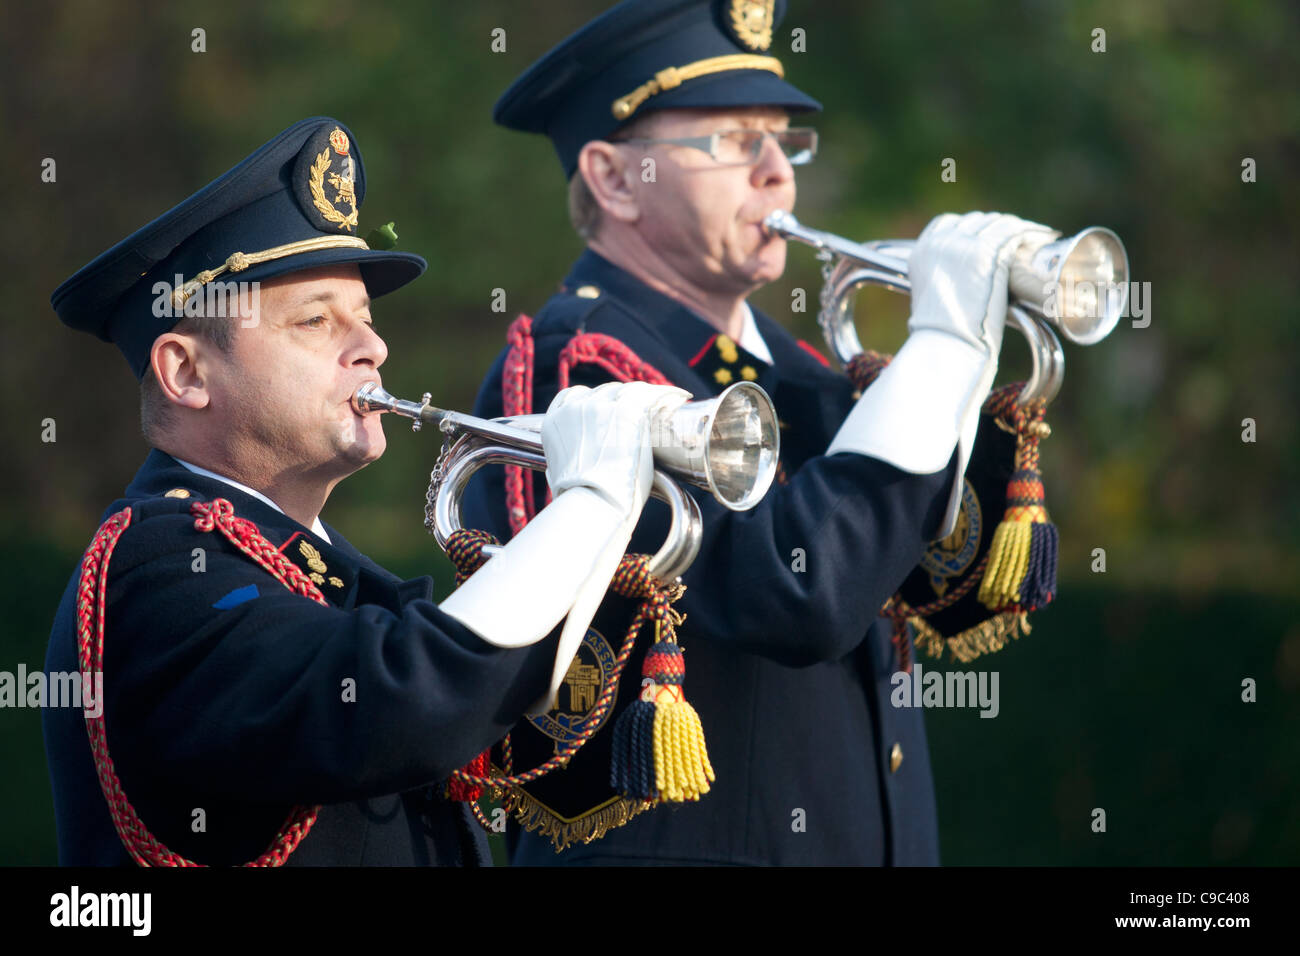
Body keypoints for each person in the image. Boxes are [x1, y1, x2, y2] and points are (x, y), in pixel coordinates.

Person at [463, 0, 1049, 865]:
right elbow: (801, 592)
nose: (779, 172)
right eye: (734, 141)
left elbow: (952, 584)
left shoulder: (796, 367)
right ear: (617, 179)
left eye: (785, 141)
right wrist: (939, 347)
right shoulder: (582, 369)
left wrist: (967, 374)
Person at [41, 116, 688, 866]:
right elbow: (400, 702)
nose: (373, 348)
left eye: (367, 320)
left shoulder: (332, 576)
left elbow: (534, 744)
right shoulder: (156, 567)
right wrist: (590, 505)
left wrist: (622, 535)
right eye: (316, 320)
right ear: (187, 373)